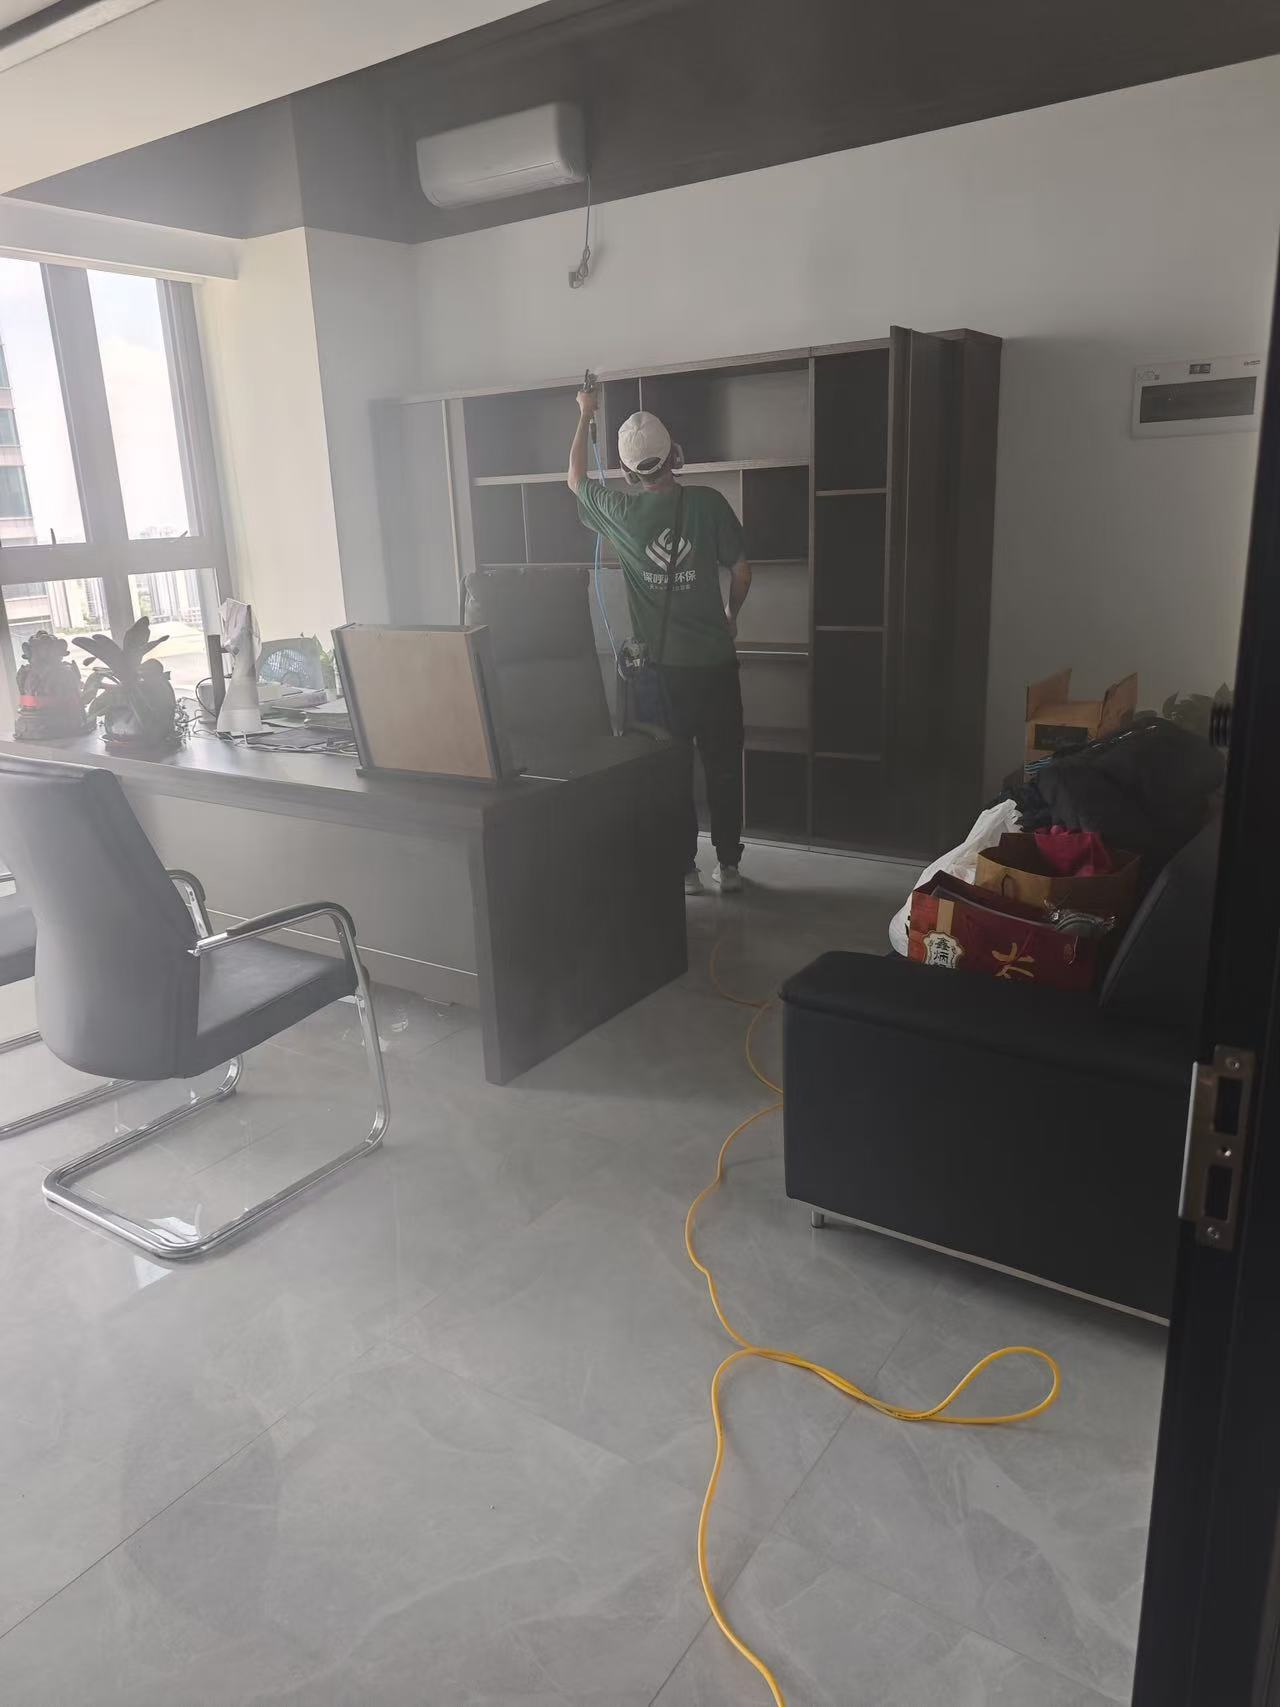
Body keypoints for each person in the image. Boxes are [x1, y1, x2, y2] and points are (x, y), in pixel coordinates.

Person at [568, 389, 752, 895]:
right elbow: (741, 569)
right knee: (723, 768)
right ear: (674, 456)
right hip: (716, 667)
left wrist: (585, 415)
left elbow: (576, 479)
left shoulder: (620, 512)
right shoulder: (709, 503)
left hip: (663, 673)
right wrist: (731, 615)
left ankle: (685, 870)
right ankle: (729, 868)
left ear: (629, 473)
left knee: (673, 771)